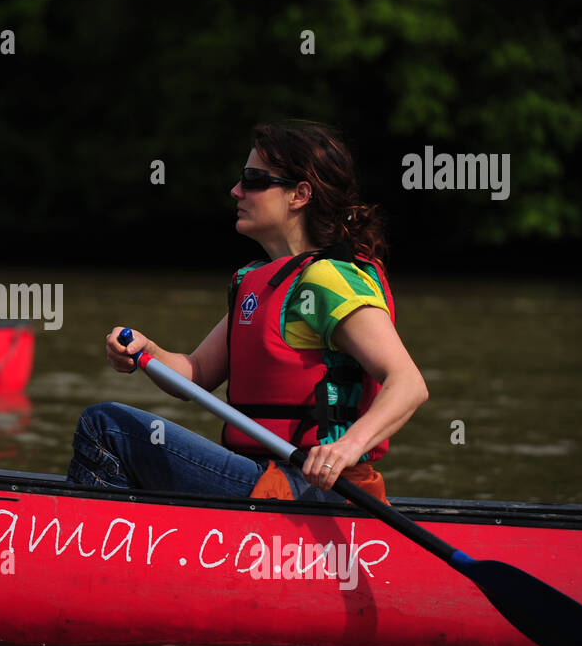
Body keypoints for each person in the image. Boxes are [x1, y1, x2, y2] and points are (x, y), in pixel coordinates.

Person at [67, 121, 428, 503]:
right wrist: (147, 352)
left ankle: (82, 545)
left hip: (317, 489)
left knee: (106, 427)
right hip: (263, 477)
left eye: (254, 179)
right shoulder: (258, 283)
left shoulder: (329, 279)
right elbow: (197, 373)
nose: (236, 190)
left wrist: (346, 447)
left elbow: (408, 383)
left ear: (300, 194)